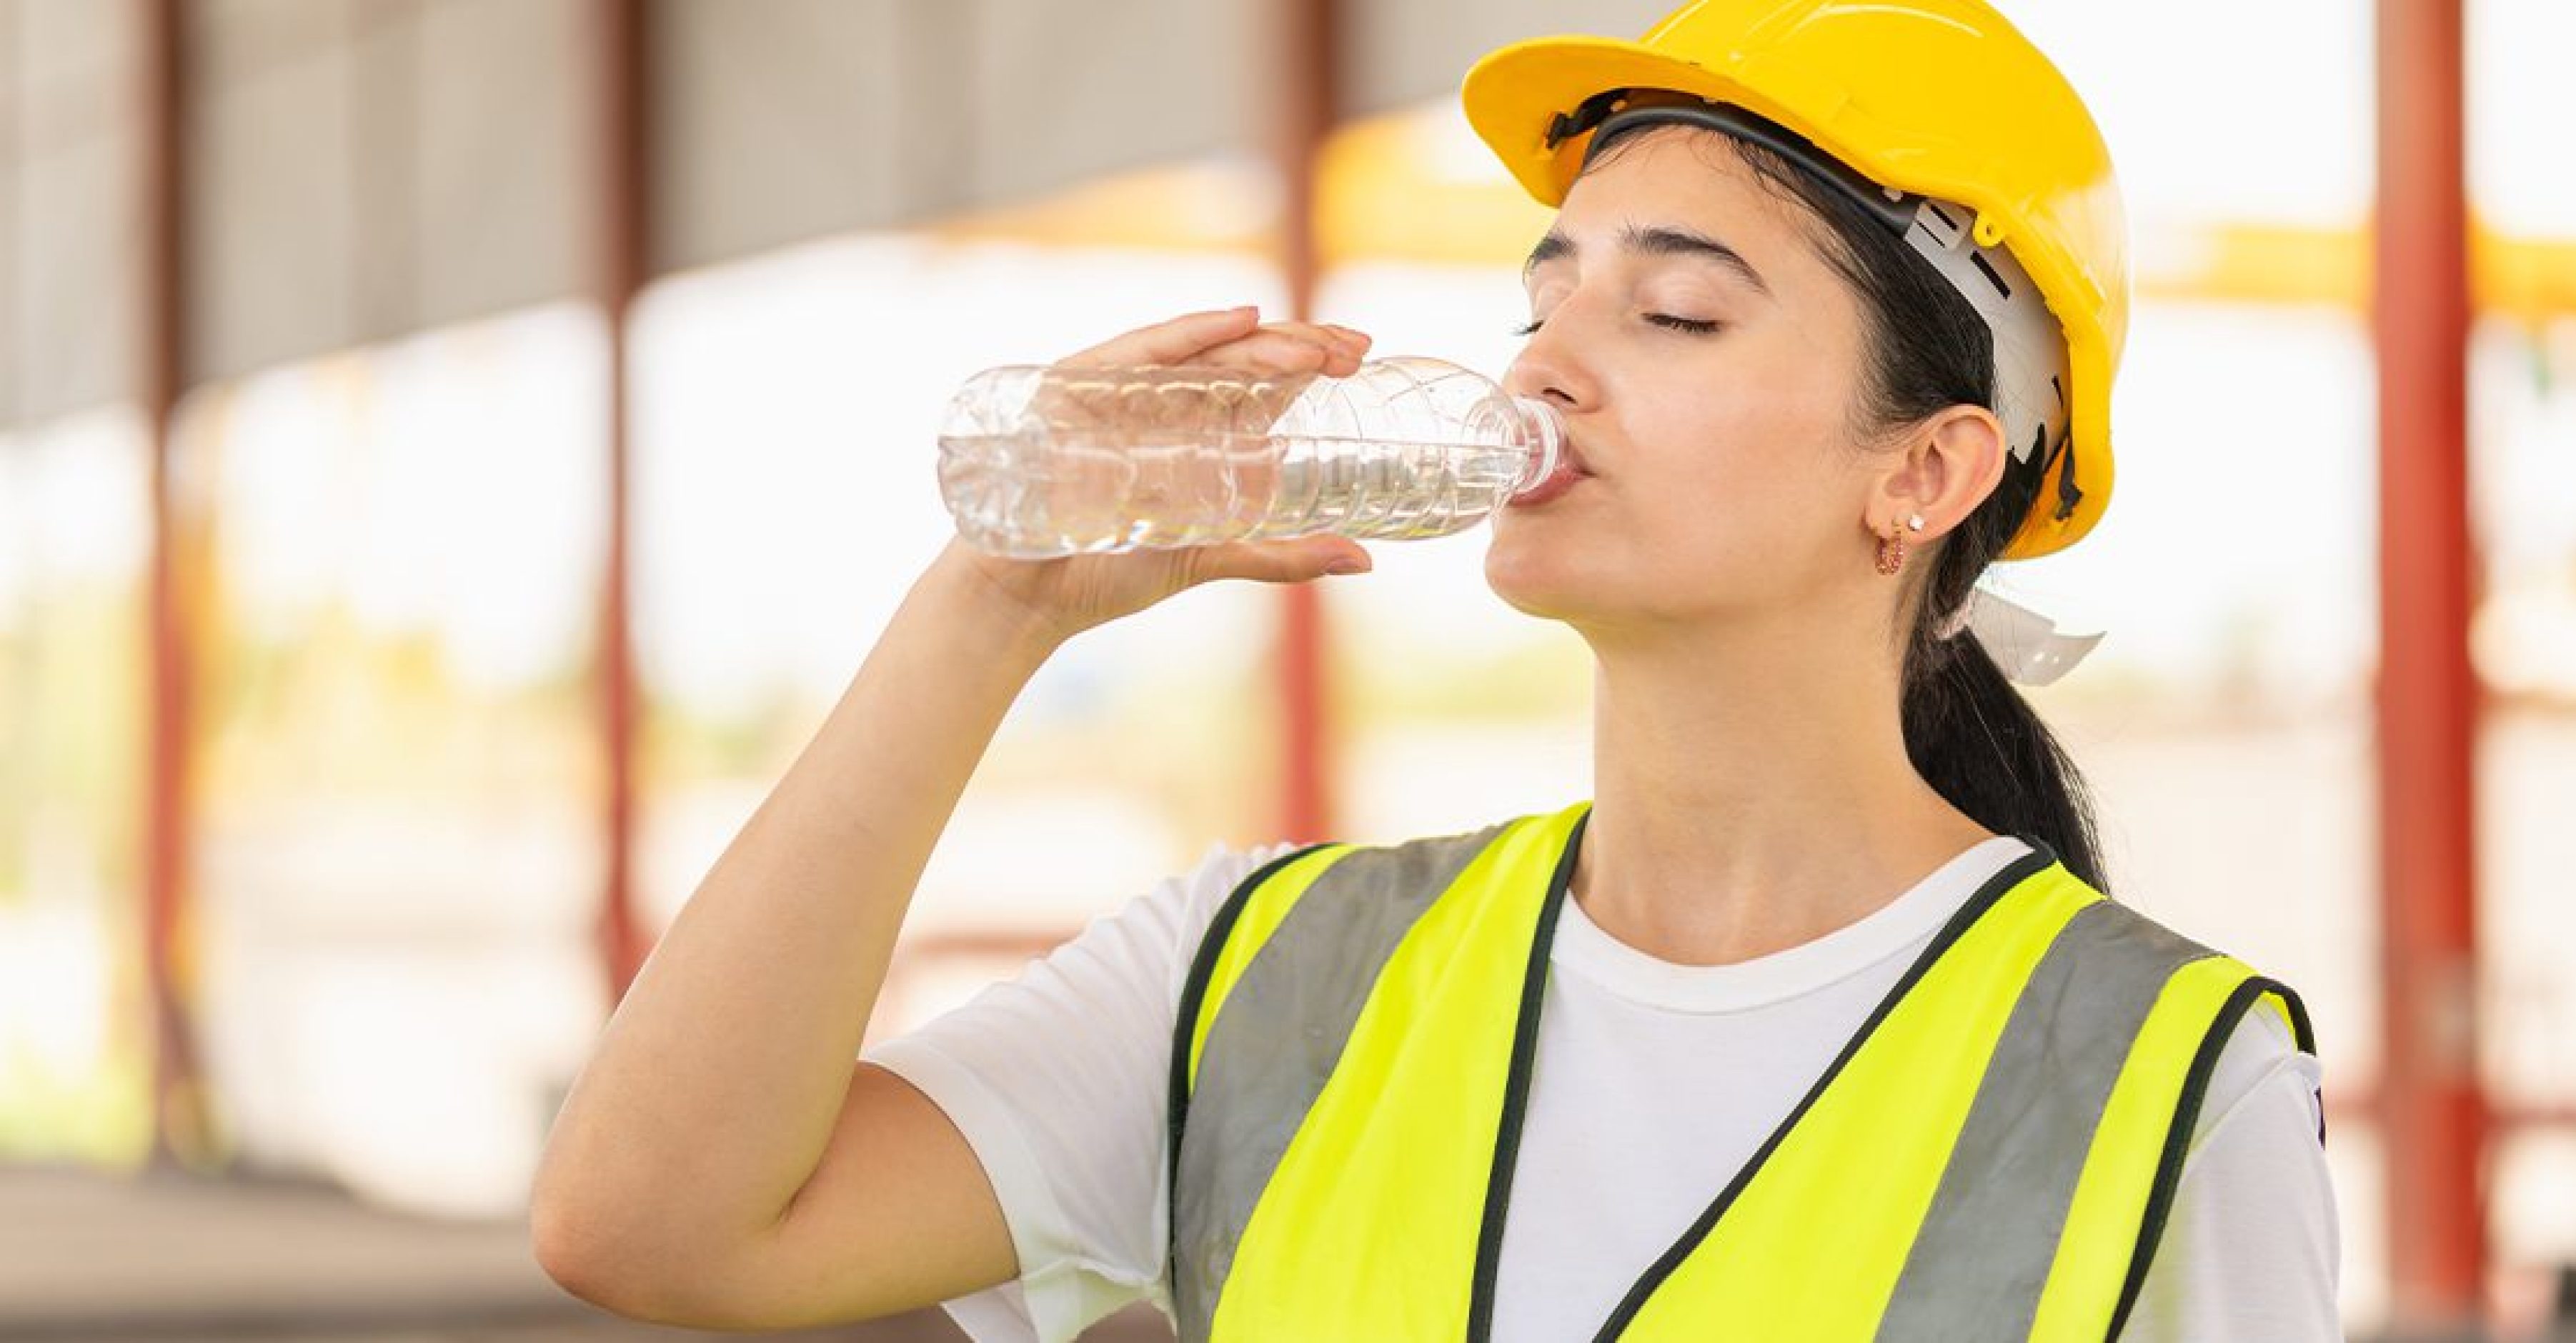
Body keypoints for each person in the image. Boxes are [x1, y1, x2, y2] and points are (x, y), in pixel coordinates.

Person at [529, 0, 2341, 1338]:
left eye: (1674, 312)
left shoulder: (2166, 1079)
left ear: (1924, 472)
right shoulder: (1256, 980)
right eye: (1540, 303)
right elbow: (658, 1224)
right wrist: (987, 611)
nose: (1542, 367)